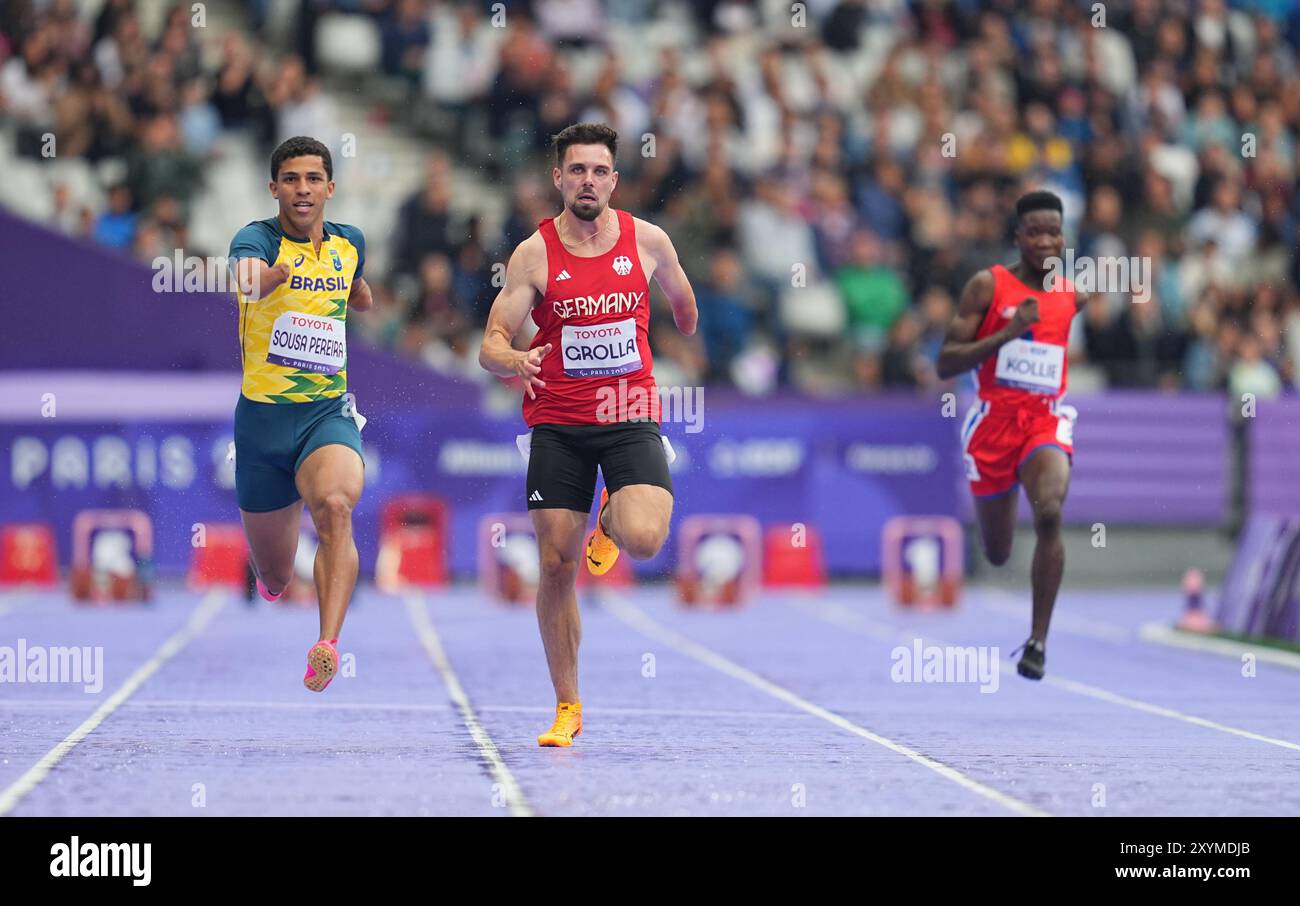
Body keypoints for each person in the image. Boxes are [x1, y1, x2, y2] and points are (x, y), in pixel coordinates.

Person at [478, 122, 698, 746]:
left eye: (600, 171)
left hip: (629, 416)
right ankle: (568, 704)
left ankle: (609, 522)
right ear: (558, 178)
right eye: (577, 170)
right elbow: (490, 344)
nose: (588, 181)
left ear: (614, 181)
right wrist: (515, 360)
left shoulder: (648, 240)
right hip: (559, 426)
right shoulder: (534, 254)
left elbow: (684, 303)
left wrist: (682, 317)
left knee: (646, 539)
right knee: (554, 565)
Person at [227, 135, 372, 692]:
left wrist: (360, 297)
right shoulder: (256, 239)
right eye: (291, 179)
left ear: (330, 188)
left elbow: (356, 289)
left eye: (313, 179)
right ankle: (266, 580)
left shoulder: (349, 242)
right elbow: (243, 280)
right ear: (274, 188)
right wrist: (272, 278)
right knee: (277, 575)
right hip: (262, 427)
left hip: (325, 415)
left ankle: (326, 644)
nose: (302, 189)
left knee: (336, 505)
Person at [937, 190, 1088, 680]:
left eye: (1054, 232)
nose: (1046, 241)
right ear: (1018, 236)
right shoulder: (987, 286)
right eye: (1035, 232)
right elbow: (945, 363)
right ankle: (1000, 543)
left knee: (1050, 511)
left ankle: (1038, 642)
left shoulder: (1073, 293)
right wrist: (1008, 332)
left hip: (1044, 420)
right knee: (998, 552)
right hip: (993, 428)